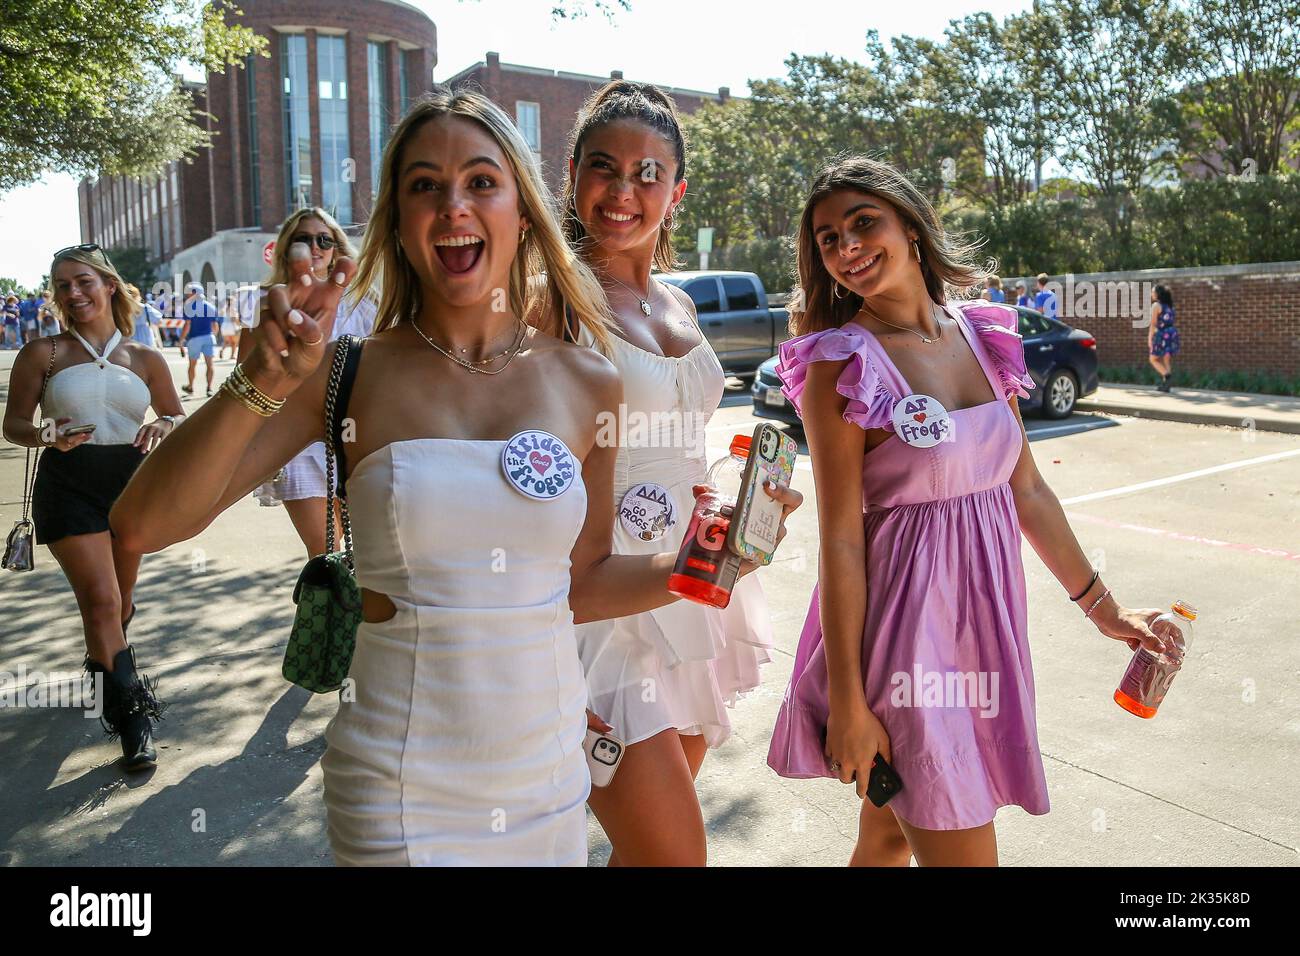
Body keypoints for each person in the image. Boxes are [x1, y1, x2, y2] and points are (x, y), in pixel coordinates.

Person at [108, 88, 802, 866]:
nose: (453, 206)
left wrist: (720, 558)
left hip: (545, 776)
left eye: (480, 181)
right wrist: (258, 383)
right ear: (398, 222)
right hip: (401, 782)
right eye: (424, 187)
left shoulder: (585, 380)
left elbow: (588, 581)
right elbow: (142, 526)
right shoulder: (344, 374)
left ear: (521, 209)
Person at [764, 155, 1168, 866]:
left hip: (982, 627)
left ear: (912, 230)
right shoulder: (841, 359)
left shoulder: (984, 335)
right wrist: (852, 702)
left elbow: (1029, 490)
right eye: (829, 239)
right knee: (955, 836)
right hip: (905, 640)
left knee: (888, 837)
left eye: (864, 223)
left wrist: (1103, 608)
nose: (848, 247)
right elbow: (841, 540)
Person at [553, 80, 775, 866]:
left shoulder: (678, 300)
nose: (623, 190)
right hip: (602, 605)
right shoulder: (549, 302)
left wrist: (734, 499)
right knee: (676, 856)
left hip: (693, 581)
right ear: (573, 175)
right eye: (604, 167)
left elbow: (678, 439)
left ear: (675, 191)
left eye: (649, 173)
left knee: (645, 857)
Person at [1, 244, 183, 770]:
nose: (73, 292)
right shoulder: (45, 353)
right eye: (62, 285)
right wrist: (46, 434)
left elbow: (176, 415)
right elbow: (13, 426)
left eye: (83, 281)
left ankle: (103, 669)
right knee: (102, 602)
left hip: (132, 487)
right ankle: (133, 719)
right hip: (68, 487)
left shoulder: (145, 357)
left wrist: (162, 425)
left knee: (119, 606)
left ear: (109, 285)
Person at [247, 207, 377, 558]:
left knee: (365, 549)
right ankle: (326, 614)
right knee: (324, 550)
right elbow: (247, 378)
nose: (315, 247)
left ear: (337, 250)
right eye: (303, 239)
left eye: (325, 240)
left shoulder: (365, 305)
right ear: (287, 248)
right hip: (295, 443)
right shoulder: (265, 303)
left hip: (355, 437)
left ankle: (360, 613)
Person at [179, 282, 218, 396]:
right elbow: (215, 326)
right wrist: (213, 336)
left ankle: (191, 386)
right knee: (210, 364)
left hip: (195, 339)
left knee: (192, 365)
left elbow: (187, 325)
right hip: (209, 337)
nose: (187, 295)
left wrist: (181, 339)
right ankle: (209, 388)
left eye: (189, 293)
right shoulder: (211, 306)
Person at [1147, 284, 1179, 392]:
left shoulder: (1156, 305)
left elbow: (1153, 324)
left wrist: (1150, 339)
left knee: (1153, 359)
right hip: (1171, 333)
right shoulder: (1169, 306)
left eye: (1152, 292)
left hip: (1162, 334)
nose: (1151, 294)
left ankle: (1167, 376)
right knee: (1166, 360)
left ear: (1157, 294)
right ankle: (1166, 385)